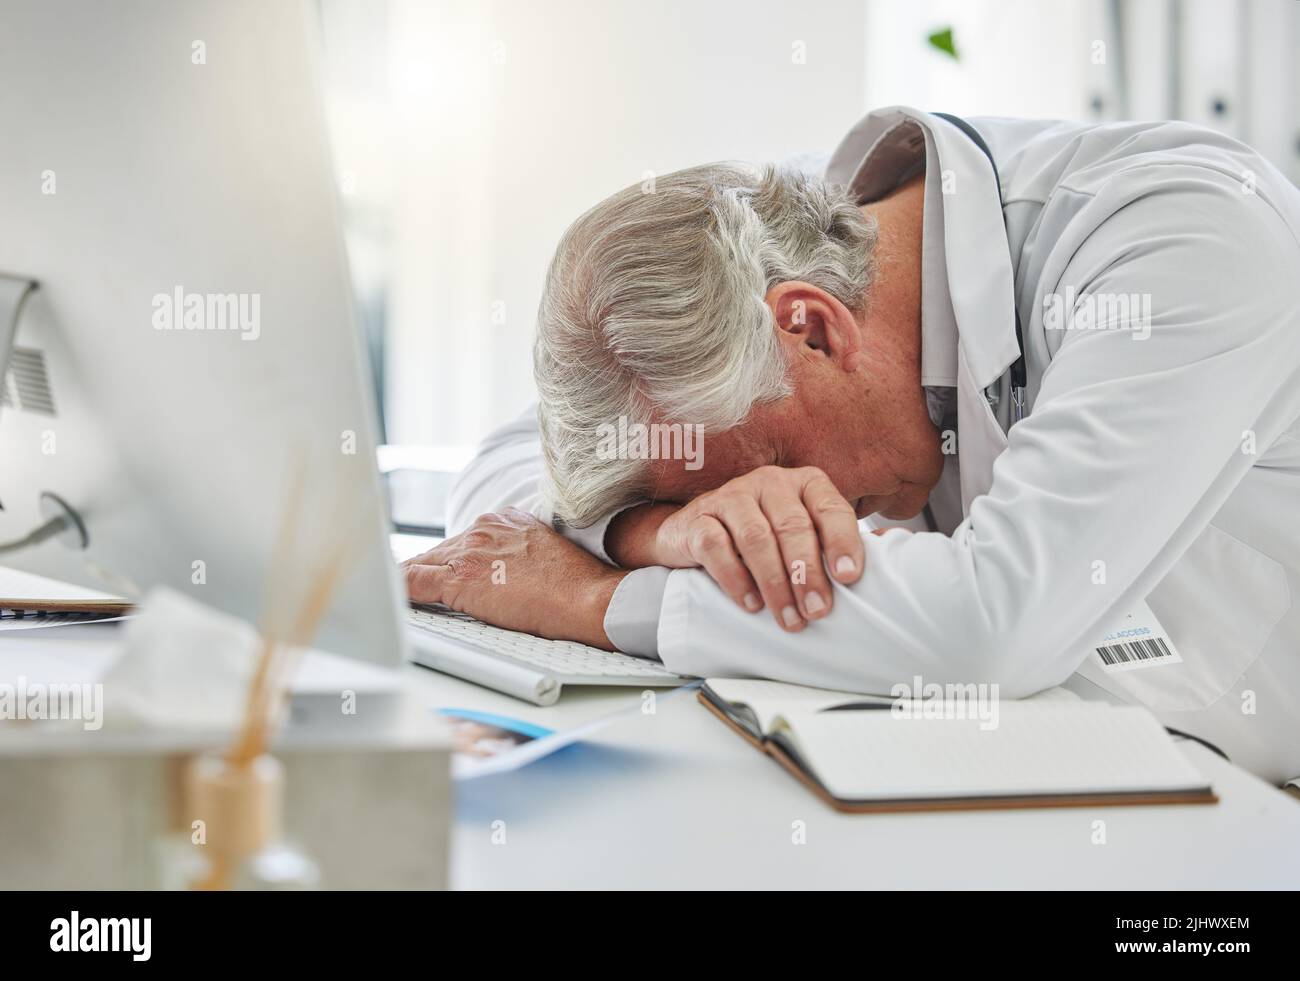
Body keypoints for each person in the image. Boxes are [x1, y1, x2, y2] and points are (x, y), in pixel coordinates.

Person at [403, 107, 1300, 784]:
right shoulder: (765, 249)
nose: (757, 519)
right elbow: (504, 473)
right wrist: (656, 531)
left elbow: (987, 629)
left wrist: (597, 599)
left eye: (759, 478)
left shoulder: (1182, 238)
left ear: (814, 331)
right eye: (702, 505)